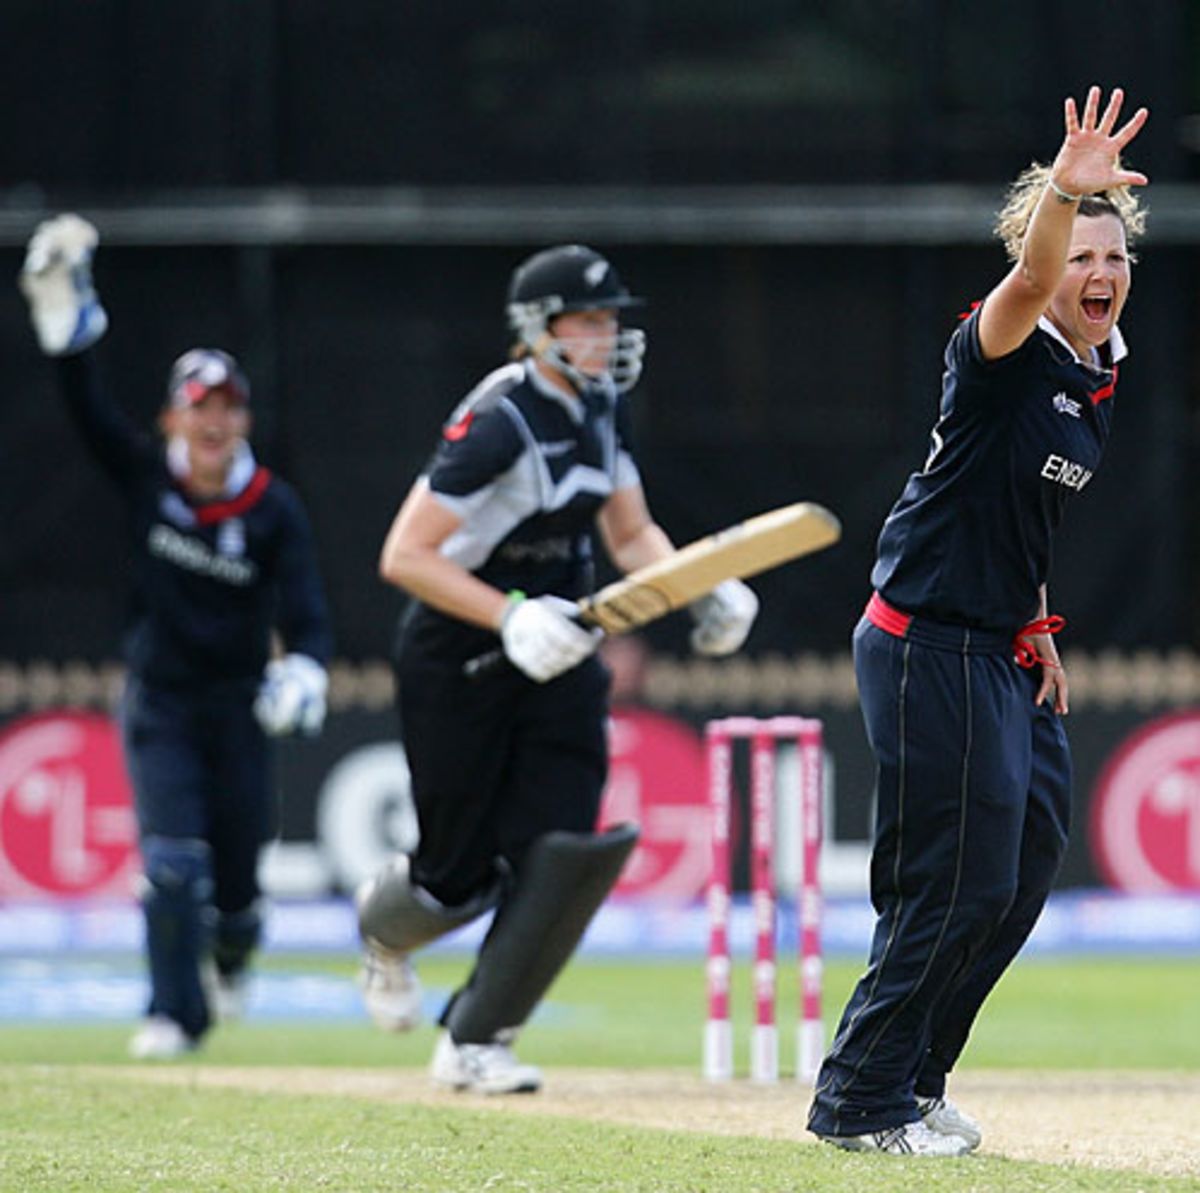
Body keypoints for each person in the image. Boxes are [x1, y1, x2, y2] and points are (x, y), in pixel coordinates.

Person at [806, 87, 1149, 1155]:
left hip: (1000, 648)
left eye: (1115, 258)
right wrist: (1067, 189)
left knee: (1017, 878)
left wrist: (1035, 618)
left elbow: (1017, 508)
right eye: (1081, 255)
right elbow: (1034, 277)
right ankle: (858, 1102)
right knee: (951, 881)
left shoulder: (1094, 375)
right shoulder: (998, 346)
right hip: (927, 643)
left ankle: (915, 1079)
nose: (1098, 275)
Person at [355, 244, 759, 1093]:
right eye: (588, 319)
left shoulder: (605, 407)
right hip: (458, 653)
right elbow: (405, 554)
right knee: (454, 876)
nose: (607, 334)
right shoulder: (498, 419)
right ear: (539, 330)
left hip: (566, 648)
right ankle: (386, 935)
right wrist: (507, 613)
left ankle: (476, 1038)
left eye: (613, 317)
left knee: (566, 847)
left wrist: (698, 586)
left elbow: (630, 531)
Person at [18, 215, 333, 1060]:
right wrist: (66, 330)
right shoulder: (146, 478)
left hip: (238, 707)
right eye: (200, 410)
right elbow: (86, 412)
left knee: (234, 891)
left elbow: (305, 610)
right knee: (171, 864)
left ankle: (233, 958)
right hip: (161, 700)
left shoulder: (271, 506)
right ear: (172, 420)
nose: (214, 424)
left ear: (244, 420)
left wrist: (303, 670)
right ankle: (172, 1013)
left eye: (229, 409)